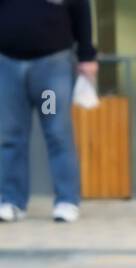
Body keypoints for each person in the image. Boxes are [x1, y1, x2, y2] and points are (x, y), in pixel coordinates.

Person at [0, 0, 98, 224]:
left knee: (56, 132)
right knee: (11, 136)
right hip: (8, 68)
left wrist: (86, 55)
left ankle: (66, 200)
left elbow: (81, 9)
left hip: (49, 71)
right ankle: (12, 201)